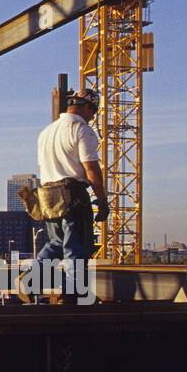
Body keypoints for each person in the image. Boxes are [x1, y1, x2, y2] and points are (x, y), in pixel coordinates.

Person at [35, 89, 108, 272]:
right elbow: (91, 169)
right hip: (71, 195)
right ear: (87, 108)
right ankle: (72, 294)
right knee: (77, 247)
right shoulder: (82, 130)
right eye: (93, 112)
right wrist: (102, 200)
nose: (92, 117)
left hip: (47, 195)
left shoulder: (46, 132)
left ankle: (29, 279)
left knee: (57, 242)